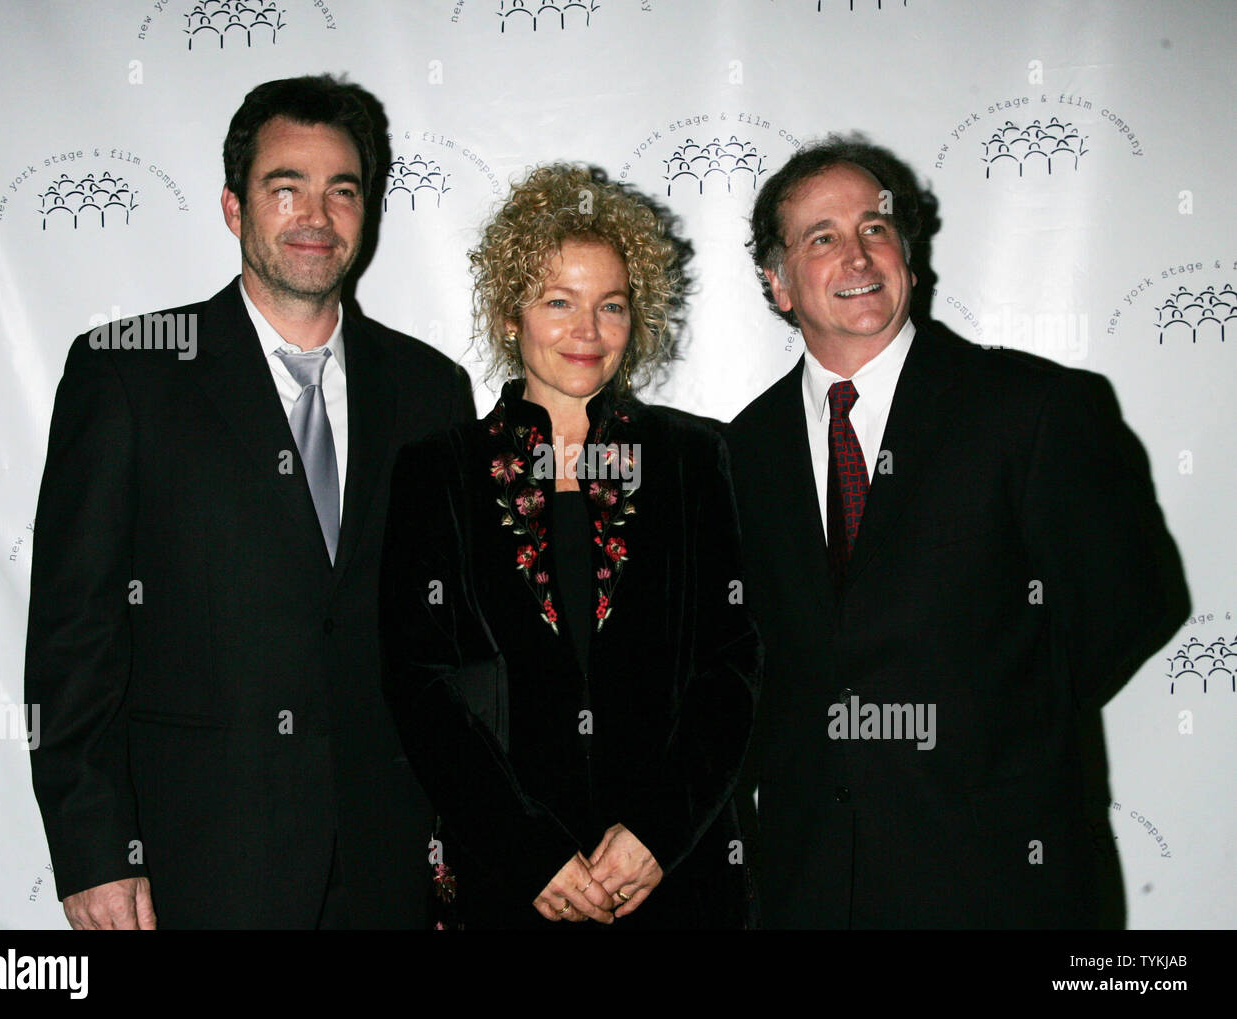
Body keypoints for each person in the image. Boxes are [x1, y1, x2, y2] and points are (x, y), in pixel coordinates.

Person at [24, 74, 475, 929]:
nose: (316, 215)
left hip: (387, 862)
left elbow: (447, 639)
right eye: (285, 188)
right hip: (198, 862)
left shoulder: (429, 390)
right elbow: (71, 637)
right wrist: (93, 850)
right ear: (235, 208)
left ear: (368, 211)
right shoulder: (128, 373)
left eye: (342, 190)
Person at [727, 135, 1186, 928]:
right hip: (810, 888)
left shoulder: (1032, 409)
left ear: (907, 248)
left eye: (876, 226)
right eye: (822, 237)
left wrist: (990, 730)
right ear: (778, 283)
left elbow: (1132, 604)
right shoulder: (741, 450)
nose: (859, 254)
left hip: (1000, 882)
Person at [380, 164, 761, 929]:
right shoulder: (438, 470)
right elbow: (416, 683)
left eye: (610, 305)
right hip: (505, 885)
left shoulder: (693, 459)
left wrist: (656, 834)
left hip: (671, 881)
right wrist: (528, 850)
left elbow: (732, 667)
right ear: (510, 314)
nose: (588, 331)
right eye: (560, 301)